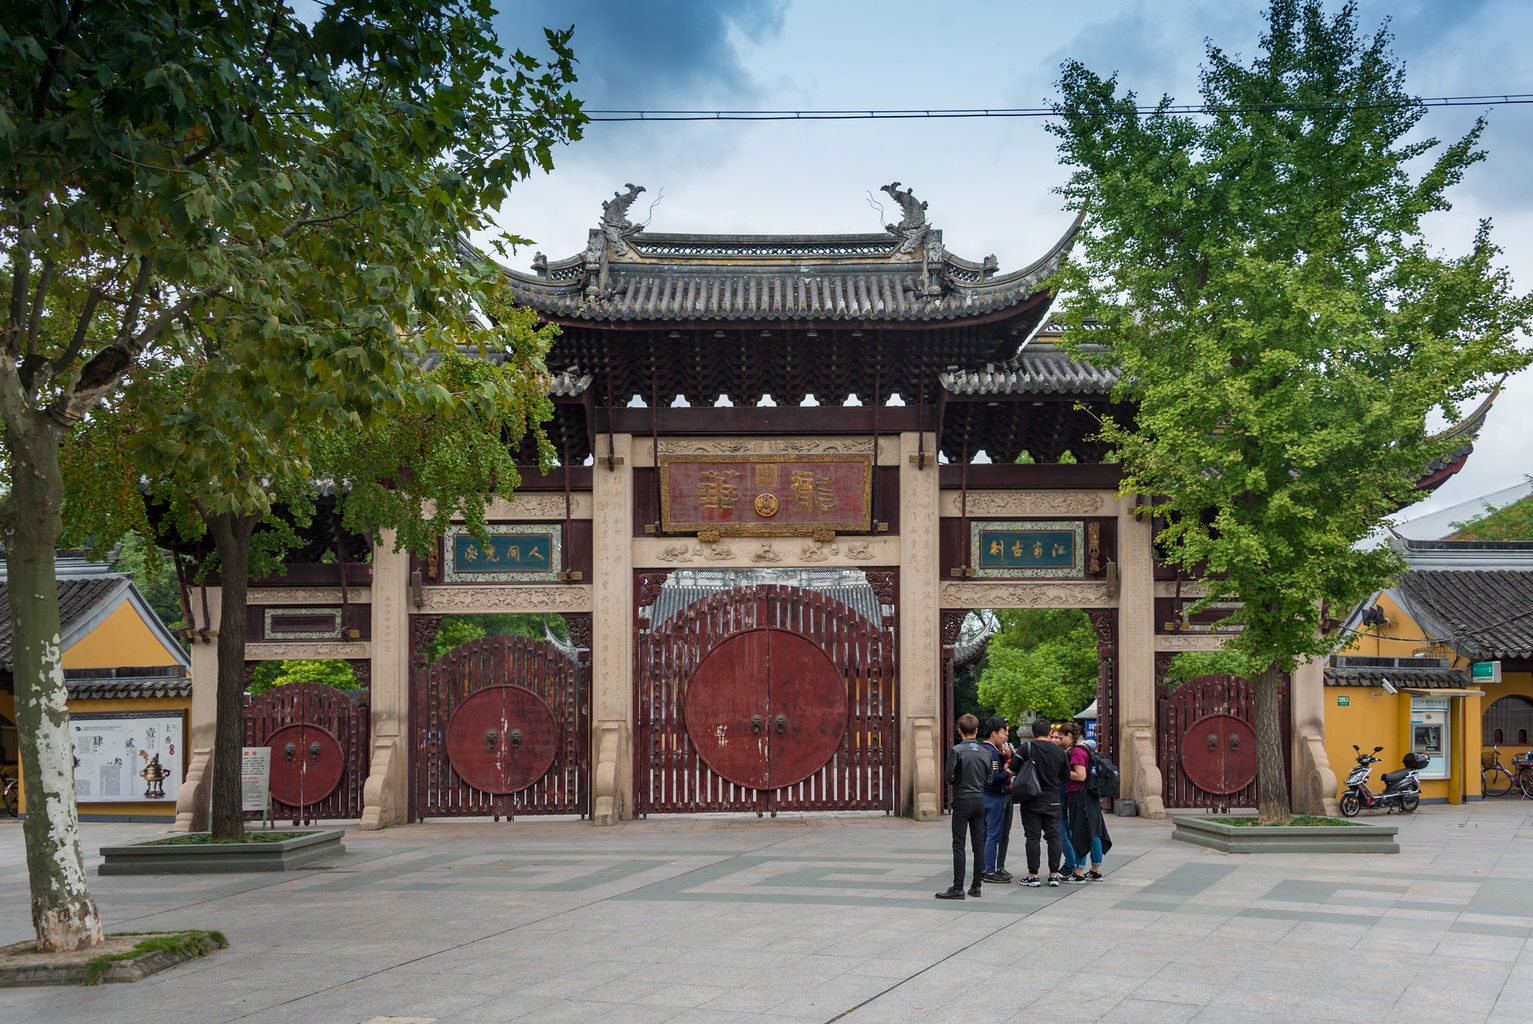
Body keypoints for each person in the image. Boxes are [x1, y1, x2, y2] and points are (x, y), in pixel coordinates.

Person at [1008, 717, 1069, 886]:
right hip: (1053, 800)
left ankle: (1033, 875)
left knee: (1033, 837)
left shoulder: (1027, 747)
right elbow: (1065, 775)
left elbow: (1012, 769)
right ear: (1050, 733)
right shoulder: (1059, 752)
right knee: (1054, 837)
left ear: (1033, 733)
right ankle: (1054, 875)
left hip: (1031, 799)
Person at [938, 713, 989, 900]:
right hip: (979, 798)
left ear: (959, 730)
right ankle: (976, 886)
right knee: (978, 844)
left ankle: (958, 887)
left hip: (962, 799)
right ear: (976, 730)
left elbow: (949, 777)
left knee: (959, 844)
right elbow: (989, 777)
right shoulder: (985, 751)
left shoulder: (957, 750)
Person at [1061, 723, 1112, 882]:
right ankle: (1096, 869)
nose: (1061, 741)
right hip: (1089, 796)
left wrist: (1063, 772)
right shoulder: (1085, 749)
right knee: (1094, 832)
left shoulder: (1077, 752)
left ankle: (1078, 872)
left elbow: (1081, 775)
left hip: (1079, 796)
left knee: (1080, 832)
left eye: (1062, 737)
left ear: (1070, 736)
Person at [980, 716, 1013, 884]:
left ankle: (984, 867)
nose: (1005, 735)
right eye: (1003, 732)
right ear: (994, 734)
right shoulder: (992, 752)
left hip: (983, 796)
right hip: (994, 796)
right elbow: (994, 777)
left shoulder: (981, 749)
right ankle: (990, 871)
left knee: (985, 834)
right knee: (993, 835)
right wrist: (1009, 772)